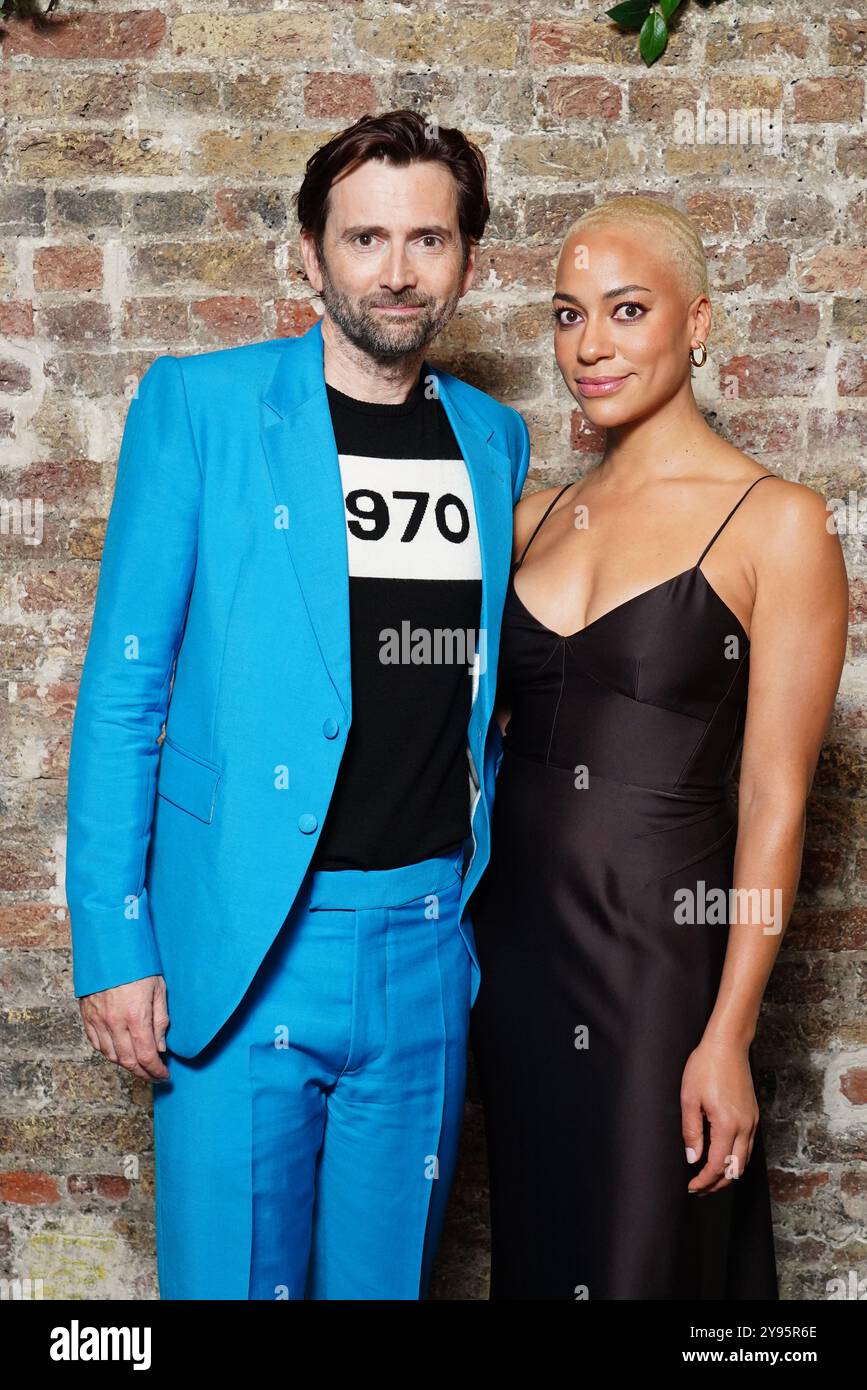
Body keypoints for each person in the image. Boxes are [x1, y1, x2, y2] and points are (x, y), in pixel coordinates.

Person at [65, 110, 530, 1300]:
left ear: (467, 258)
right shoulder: (201, 409)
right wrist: (116, 944)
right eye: (365, 237)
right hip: (248, 939)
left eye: (429, 238)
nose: (397, 267)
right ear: (310, 254)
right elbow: (125, 688)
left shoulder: (494, 440)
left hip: (426, 941)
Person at [469, 195, 849, 1300]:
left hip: (657, 969)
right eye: (567, 313)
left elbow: (776, 801)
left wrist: (729, 1031)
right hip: (512, 964)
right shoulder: (530, 516)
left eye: (627, 310)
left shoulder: (779, 522)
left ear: (701, 322)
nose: (590, 345)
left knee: (647, 1268)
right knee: (540, 1260)